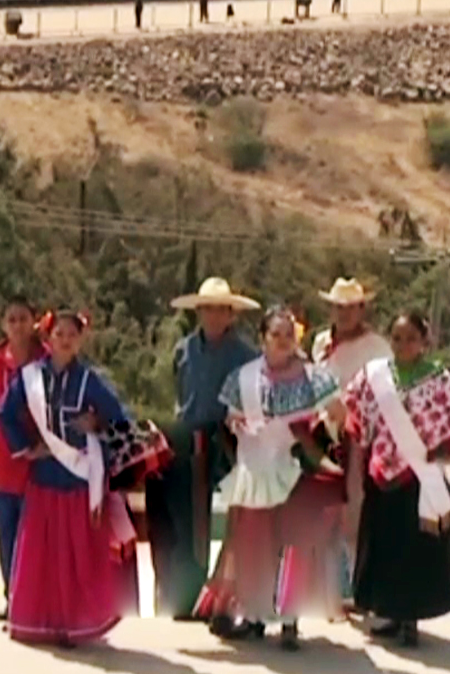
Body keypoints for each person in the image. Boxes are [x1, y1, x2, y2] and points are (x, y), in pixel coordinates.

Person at [197, 309, 343, 649]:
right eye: (276, 334)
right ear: (262, 337)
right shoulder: (243, 379)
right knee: (253, 548)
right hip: (256, 473)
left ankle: (290, 620)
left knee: (295, 546)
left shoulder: (314, 378)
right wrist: (241, 445)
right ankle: (255, 616)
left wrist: (322, 436)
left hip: (296, 471)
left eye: (289, 335)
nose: (283, 341)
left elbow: (338, 414)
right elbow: (230, 423)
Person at [344, 312, 450, 647]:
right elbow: (356, 412)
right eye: (397, 338)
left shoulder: (437, 378)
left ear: (424, 342)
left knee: (415, 549)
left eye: (411, 338)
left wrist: (444, 447)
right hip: (383, 473)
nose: (403, 345)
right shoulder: (374, 375)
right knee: (385, 545)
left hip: (420, 475)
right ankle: (390, 611)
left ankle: (410, 618)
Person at [0, 310, 136, 648]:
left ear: (80, 340)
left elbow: (120, 419)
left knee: (75, 558)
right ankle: (39, 621)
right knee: (42, 556)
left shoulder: (90, 380)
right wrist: (27, 448)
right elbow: (4, 413)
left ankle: (76, 623)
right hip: (44, 478)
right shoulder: (30, 377)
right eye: (59, 334)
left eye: (72, 335)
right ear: (48, 338)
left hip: (78, 480)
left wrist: (97, 425)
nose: (66, 340)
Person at [146, 277, 260, 617]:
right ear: (199, 312)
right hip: (185, 436)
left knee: (201, 522)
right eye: (208, 309)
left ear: (231, 314)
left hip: (222, 438)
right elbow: (181, 391)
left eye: (221, 310)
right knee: (176, 519)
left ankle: (199, 595)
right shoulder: (184, 349)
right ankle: (173, 593)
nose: (214, 315)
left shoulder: (245, 355)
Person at [310, 278, 392, 605]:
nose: (343, 313)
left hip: (358, 438)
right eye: (338, 307)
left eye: (350, 308)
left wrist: (352, 413)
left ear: (361, 309)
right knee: (324, 512)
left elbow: (386, 394)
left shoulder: (376, 348)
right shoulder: (321, 343)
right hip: (324, 436)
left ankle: (358, 583)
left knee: (354, 512)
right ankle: (329, 585)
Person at [0, 299, 39, 621]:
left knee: (35, 537)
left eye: (23, 318)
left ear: (34, 322)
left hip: (36, 460)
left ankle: (35, 601)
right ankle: (12, 599)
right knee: (6, 533)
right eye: (12, 319)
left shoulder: (44, 358)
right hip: (5, 462)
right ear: (3, 325)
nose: (18, 325)